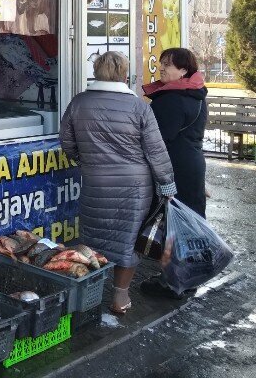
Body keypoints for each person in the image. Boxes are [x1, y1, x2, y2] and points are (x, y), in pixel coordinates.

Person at [60, 51, 177, 315]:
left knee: (92, 236)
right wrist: (167, 184)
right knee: (127, 239)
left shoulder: (79, 103)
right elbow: (156, 151)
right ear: (125, 75)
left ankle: (88, 295)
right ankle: (120, 297)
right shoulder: (139, 107)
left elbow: (67, 143)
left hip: (95, 181)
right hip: (135, 187)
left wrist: (85, 161)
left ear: (97, 72)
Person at [142, 48, 208, 217]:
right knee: (190, 221)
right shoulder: (195, 94)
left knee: (169, 225)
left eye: (167, 65)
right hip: (192, 164)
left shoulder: (172, 99)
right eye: (161, 63)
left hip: (174, 169)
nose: (161, 68)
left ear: (183, 71)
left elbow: (156, 142)